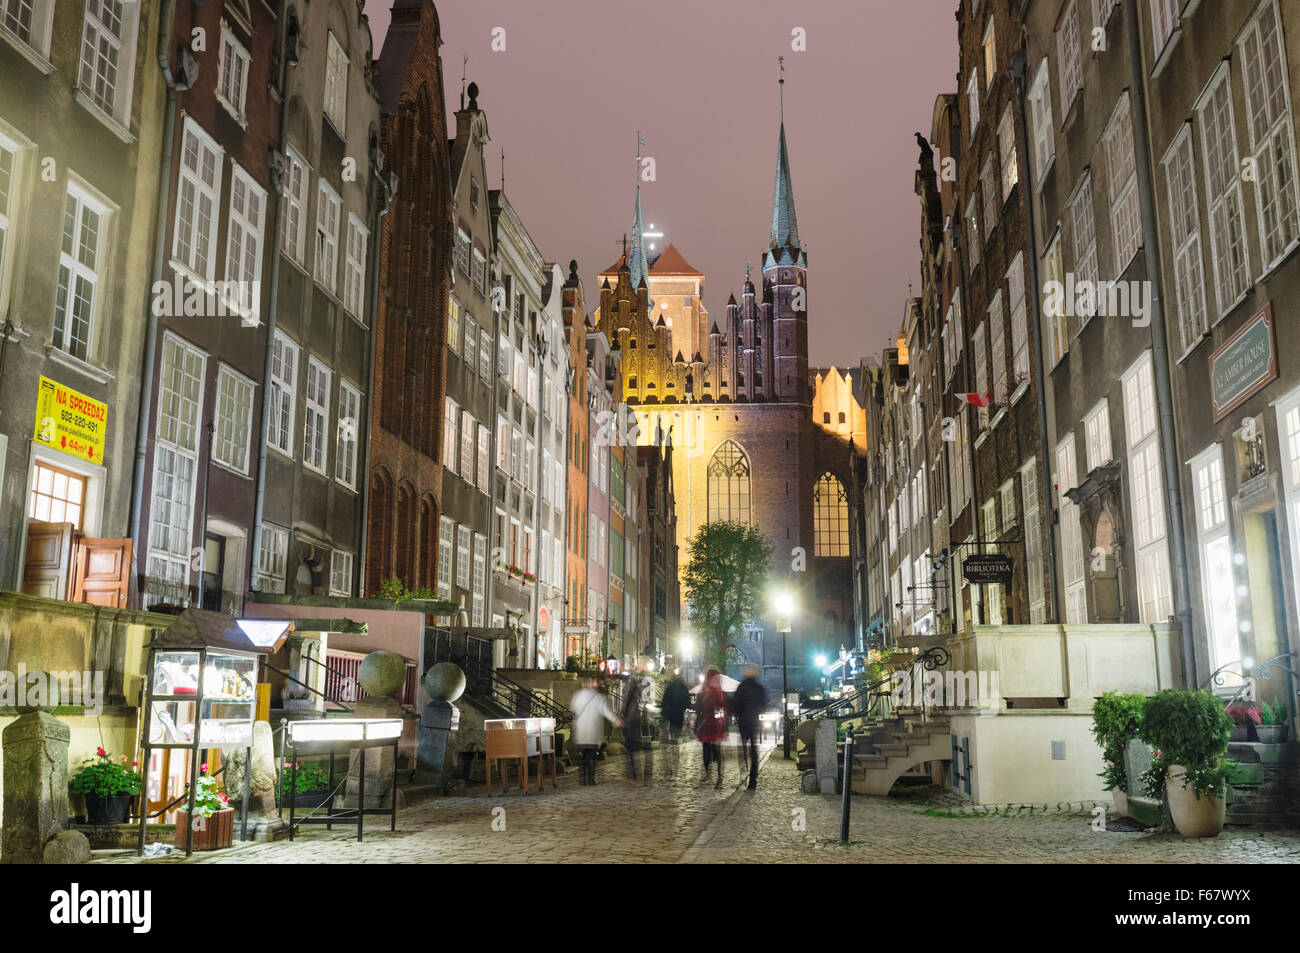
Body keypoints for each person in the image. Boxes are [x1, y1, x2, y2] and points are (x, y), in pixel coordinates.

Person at [570, 677, 620, 786]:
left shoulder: (577, 695)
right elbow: (606, 711)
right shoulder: (598, 697)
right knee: (592, 755)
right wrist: (616, 720)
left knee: (583, 755)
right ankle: (590, 779)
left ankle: (583, 779)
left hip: (581, 730)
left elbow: (573, 709)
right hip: (593, 730)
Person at [732, 665, 768, 790]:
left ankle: (743, 773)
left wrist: (739, 713)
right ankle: (753, 780)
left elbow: (735, 703)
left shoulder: (741, 687)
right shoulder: (759, 688)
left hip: (743, 721)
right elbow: (764, 704)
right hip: (754, 721)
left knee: (742, 749)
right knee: (754, 751)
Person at [695, 669, 730, 789]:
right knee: (711, 750)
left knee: (712, 750)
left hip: (711, 723)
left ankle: (714, 775)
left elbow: (698, 708)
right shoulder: (712, 691)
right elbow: (698, 707)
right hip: (712, 723)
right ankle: (714, 775)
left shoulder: (715, 691)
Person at [620, 663, 653, 781]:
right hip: (637, 718)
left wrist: (623, 713)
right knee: (634, 745)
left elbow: (626, 701)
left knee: (630, 746)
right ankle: (636, 771)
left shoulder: (632, 688)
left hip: (631, 718)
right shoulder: (641, 688)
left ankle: (632, 772)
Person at [661, 671, 691, 777]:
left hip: (670, 715)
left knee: (671, 734)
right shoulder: (683, 688)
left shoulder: (670, 688)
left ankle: (670, 756)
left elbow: (664, 701)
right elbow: (688, 703)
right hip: (679, 716)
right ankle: (675, 755)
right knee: (676, 735)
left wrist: (664, 713)